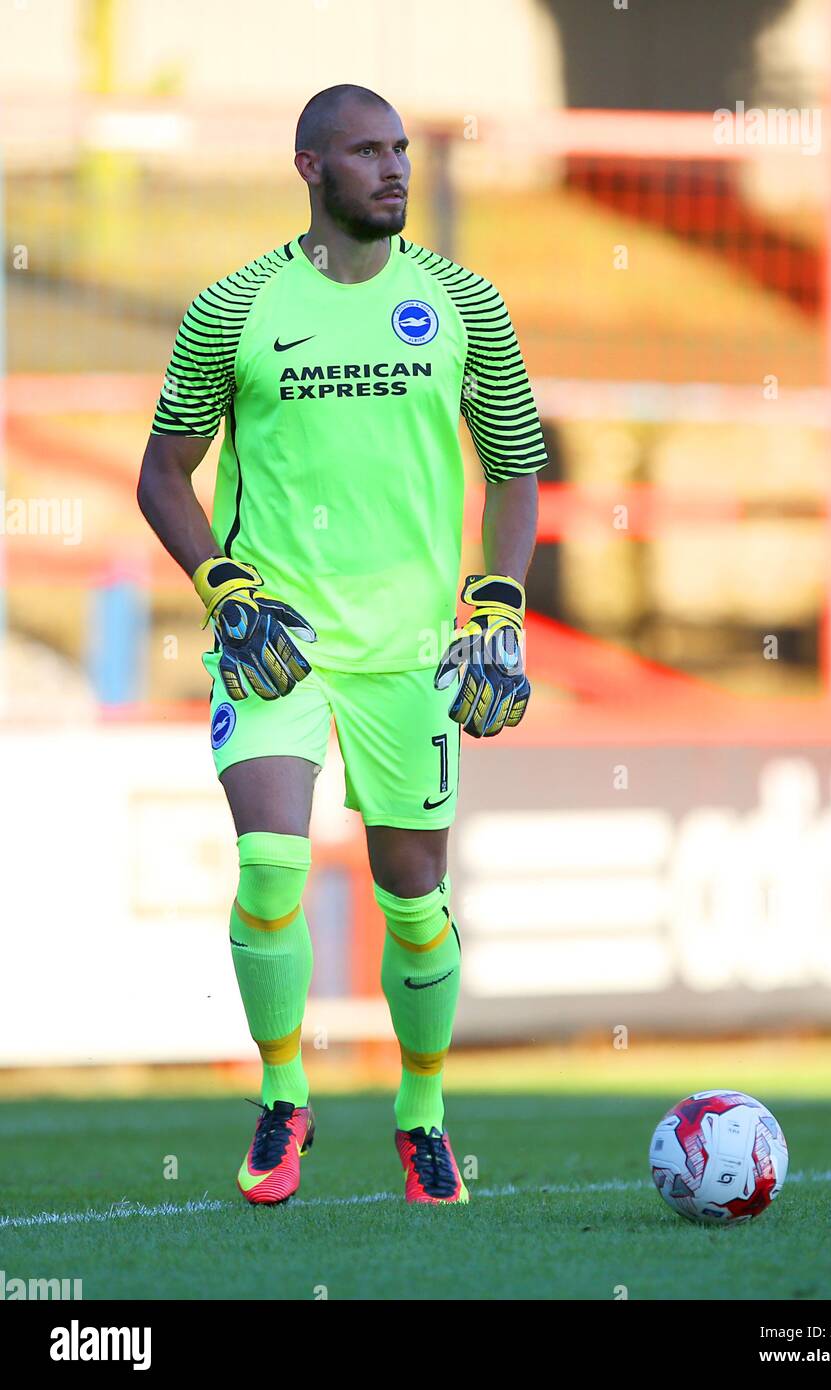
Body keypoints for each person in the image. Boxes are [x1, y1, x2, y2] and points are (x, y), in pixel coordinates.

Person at [137, 83, 548, 1206]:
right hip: (277, 639)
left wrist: (498, 605)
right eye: (367, 151)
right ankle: (282, 1096)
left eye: (402, 150)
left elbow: (516, 469)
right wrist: (220, 586)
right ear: (310, 168)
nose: (394, 168)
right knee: (268, 864)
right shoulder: (234, 308)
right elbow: (161, 472)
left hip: (413, 649)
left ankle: (421, 1115)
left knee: (412, 897)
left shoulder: (463, 300)